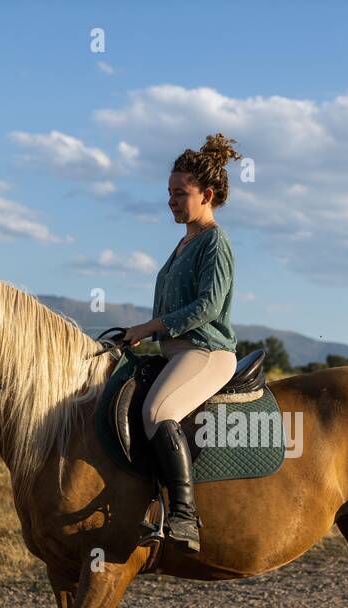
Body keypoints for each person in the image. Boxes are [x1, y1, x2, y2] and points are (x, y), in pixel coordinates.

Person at [119, 133, 242, 552]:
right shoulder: (184, 242)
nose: (171, 201)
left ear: (207, 194)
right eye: (169, 193)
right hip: (177, 352)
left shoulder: (215, 242)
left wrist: (150, 327)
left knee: (158, 410)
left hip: (207, 352)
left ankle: (185, 517)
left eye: (180, 193)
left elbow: (206, 307)